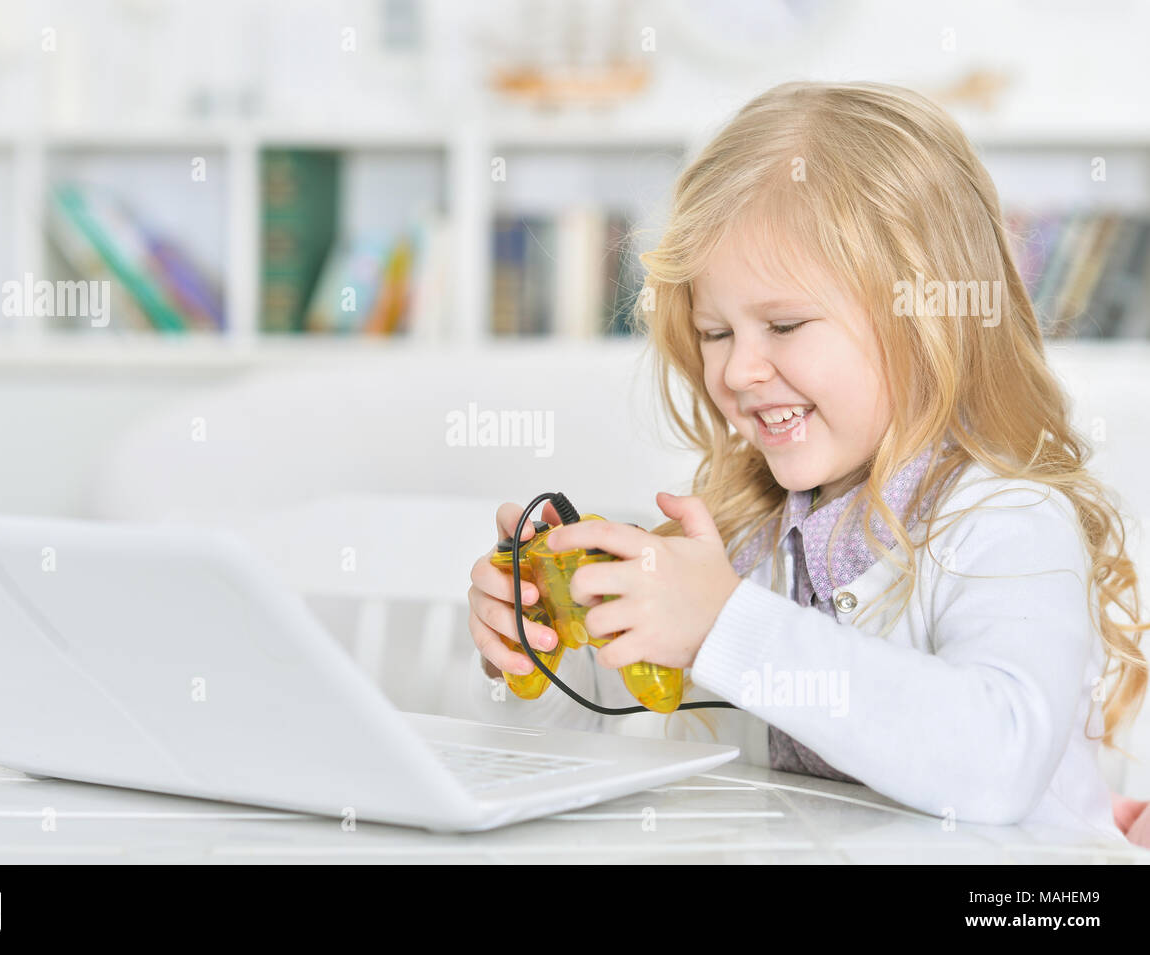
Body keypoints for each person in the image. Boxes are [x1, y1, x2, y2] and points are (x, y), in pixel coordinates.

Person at [465, 81, 1147, 840]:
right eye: (716, 333)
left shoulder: (1007, 522)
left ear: (929, 320)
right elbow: (601, 747)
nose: (737, 370)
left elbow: (997, 760)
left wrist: (723, 623)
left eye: (785, 325)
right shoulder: (741, 534)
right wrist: (549, 644)